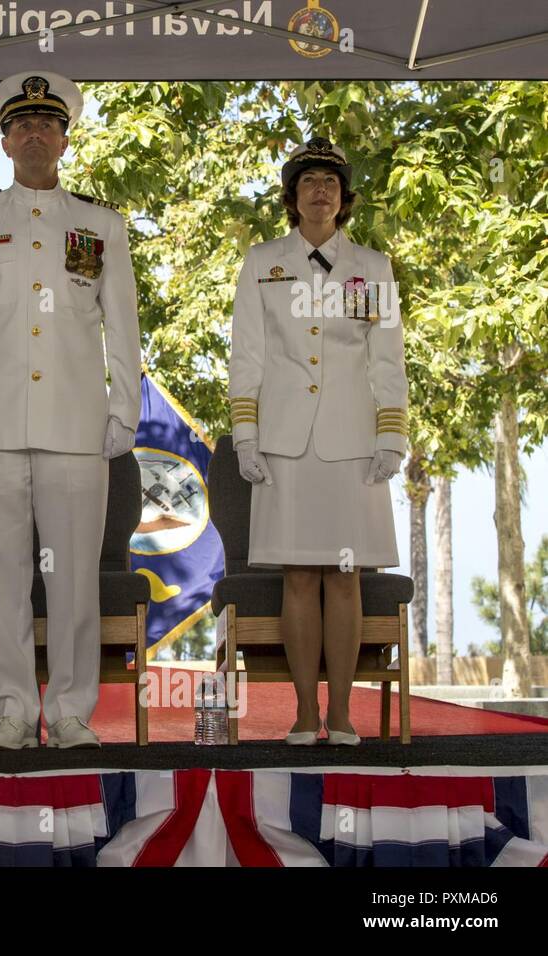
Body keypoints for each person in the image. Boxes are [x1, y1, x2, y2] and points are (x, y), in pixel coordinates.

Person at [0, 72, 141, 749]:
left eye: (46, 125)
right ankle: (13, 709)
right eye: (21, 125)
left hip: (76, 422)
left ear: (65, 139)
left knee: (76, 576)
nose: (34, 135)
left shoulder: (101, 224)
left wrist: (124, 408)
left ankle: (73, 710)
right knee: (1, 576)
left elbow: (123, 328)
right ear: (3, 140)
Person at [227, 136, 407, 746]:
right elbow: (246, 353)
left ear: (345, 198)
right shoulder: (261, 262)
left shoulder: (373, 268)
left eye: (330, 182)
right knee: (299, 576)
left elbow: (387, 358)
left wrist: (391, 434)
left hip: (353, 441)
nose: (320, 191)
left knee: (346, 576)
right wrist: (245, 436)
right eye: (309, 182)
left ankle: (342, 715)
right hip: (284, 440)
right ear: (292, 197)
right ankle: (305, 715)